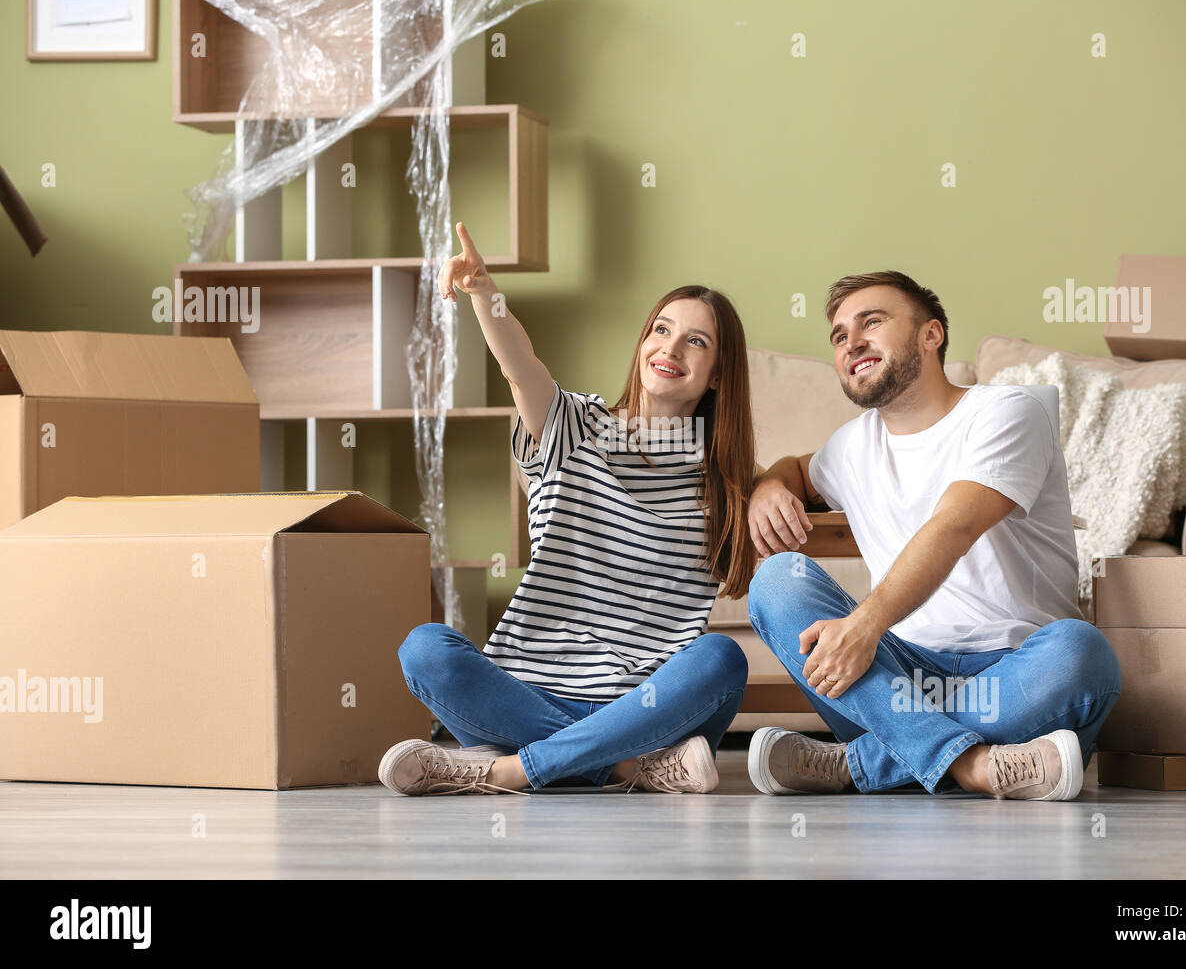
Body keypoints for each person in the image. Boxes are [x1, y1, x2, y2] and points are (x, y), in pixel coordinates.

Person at [380, 222, 757, 796]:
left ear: (717, 373)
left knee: (722, 660)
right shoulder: (576, 426)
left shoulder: (725, 481)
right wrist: (485, 294)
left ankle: (504, 771)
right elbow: (520, 366)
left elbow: (809, 476)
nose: (670, 348)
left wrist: (775, 483)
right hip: (526, 690)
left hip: (646, 705)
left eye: (696, 342)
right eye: (662, 330)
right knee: (425, 650)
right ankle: (629, 768)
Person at [744, 270, 1121, 801]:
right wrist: (767, 487)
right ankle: (975, 766)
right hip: (893, 680)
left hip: (1011, 673)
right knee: (778, 581)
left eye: (871, 322)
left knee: (1082, 653)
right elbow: (797, 471)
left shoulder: (1009, 412)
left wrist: (865, 625)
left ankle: (858, 765)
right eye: (838, 335)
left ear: (931, 335)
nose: (851, 341)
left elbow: (953, 525)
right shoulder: (851, 447)